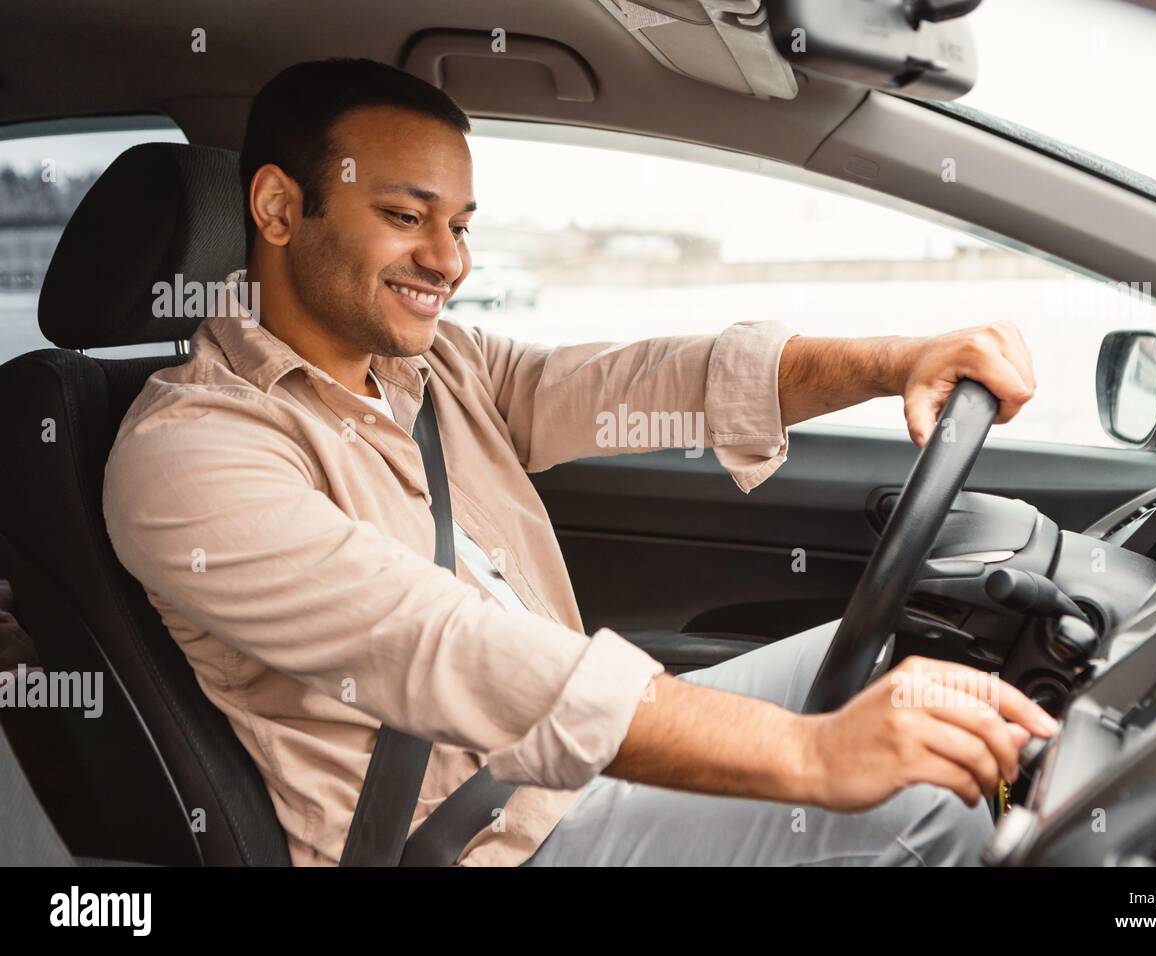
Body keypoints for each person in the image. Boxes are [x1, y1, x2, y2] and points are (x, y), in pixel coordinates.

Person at [103, 58, 1055, 867]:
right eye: (406, 215)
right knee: (923, 803)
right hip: (494, 847)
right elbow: (449, 648)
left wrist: (894, 362)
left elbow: (640, 383)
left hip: (566, 773)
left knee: (925, 664)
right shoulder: (190, 455)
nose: (450, 261)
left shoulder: (434, 367)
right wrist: (810, 758)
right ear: (277, 206)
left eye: (462, 225)